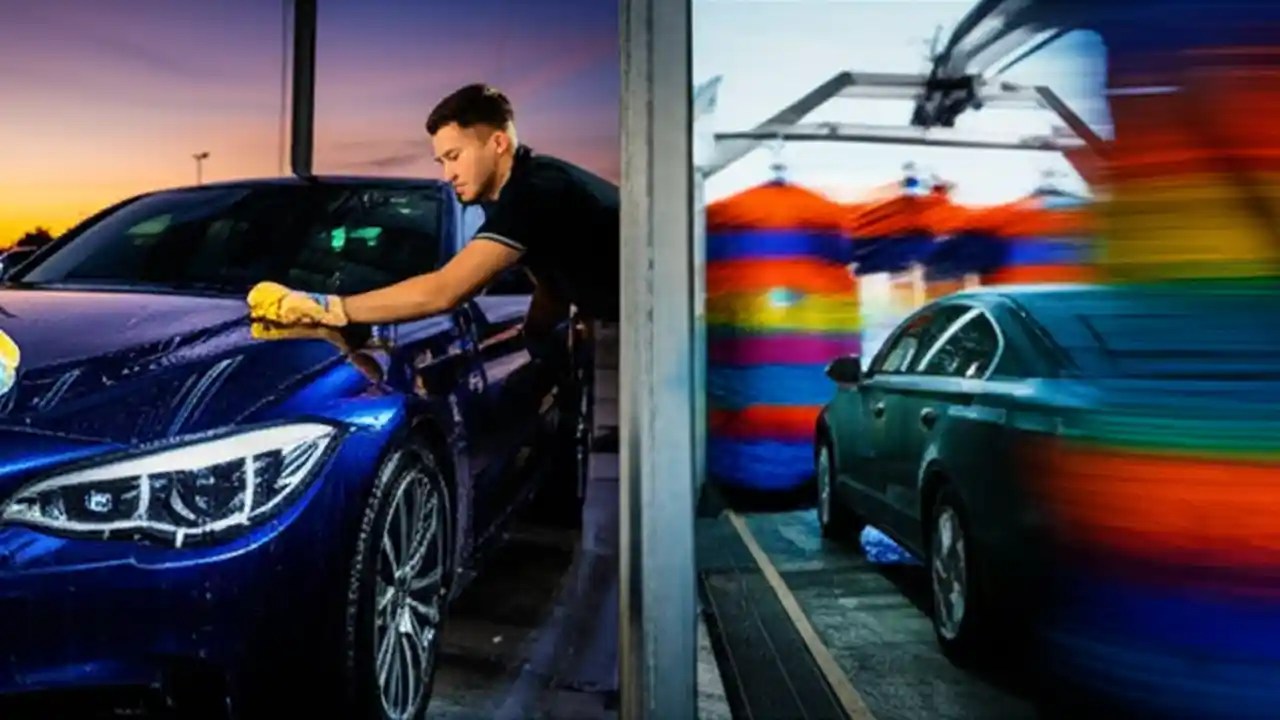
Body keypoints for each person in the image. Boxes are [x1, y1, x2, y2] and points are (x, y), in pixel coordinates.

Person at [245, 83, 620, 346]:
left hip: (670, 314)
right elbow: (551, 281)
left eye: (455, 157)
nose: (448, 174)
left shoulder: (537, 189)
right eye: (442, 161)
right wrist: (536, 341)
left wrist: (328, 309)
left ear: (499, 143)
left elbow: (445, 291)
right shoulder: (511, 192)